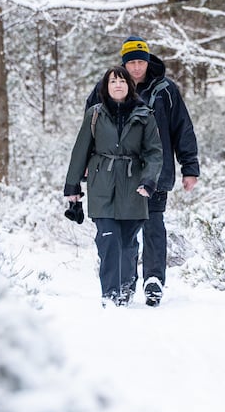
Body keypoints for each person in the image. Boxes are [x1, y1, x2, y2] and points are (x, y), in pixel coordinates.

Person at [85, 38, 200, 307]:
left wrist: (189, 167)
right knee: (124, 230)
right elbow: (90, 127)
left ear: (148, 62)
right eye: (131, 63)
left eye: (141, 62)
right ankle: (125, 282)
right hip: (118, 176)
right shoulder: (108, 87)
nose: (136, 68)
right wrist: (88, 164)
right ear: (124, 63)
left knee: (153, 224)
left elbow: (182, 128)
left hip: (156, 172)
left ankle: (154, 280)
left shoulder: (165, 90)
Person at [65, 65, 164, 307]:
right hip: (102, 184)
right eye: (112, 81)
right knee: (108, 239)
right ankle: (110, 295)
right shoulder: (95, 114)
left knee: (127, 243)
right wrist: (72, 186)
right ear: (105, 87)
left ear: (129, 85)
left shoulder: (145, 115)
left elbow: (154, 153)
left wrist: (149, 180)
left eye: (122, 81)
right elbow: (80, 150)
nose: (117, 85)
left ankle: (126, 286)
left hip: (134, 186)